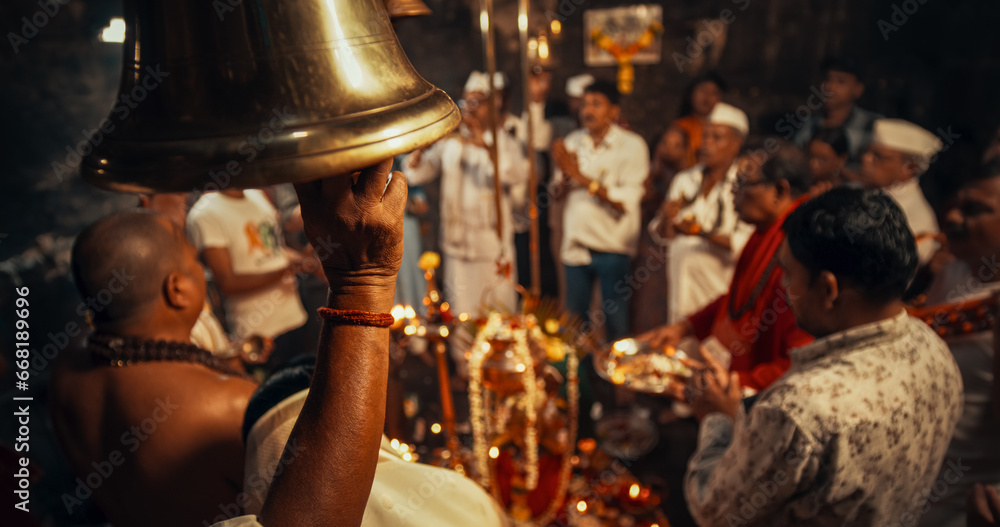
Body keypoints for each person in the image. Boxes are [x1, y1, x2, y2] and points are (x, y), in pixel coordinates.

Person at [682, 186, 963, 526]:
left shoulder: (797, 409)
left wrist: (718, 420)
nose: (784, 286)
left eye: (788, 274)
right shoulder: (935, 349)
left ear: (828, 290)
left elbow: (714, 512)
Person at [52, 209, 261, 527]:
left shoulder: (65, 369)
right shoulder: (230, 404)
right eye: (195, 261)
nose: (202, 271)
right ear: (177, 290)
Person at [639, 139, 813, 392]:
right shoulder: (764, 232)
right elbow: (739, 302)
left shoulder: (799, 249)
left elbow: (799, 360)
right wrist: (684, 327)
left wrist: (727, 386)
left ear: (779, 191)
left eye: (742, 183)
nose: (733, 191)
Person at [405, 71, 530, 318]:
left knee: (498, 310)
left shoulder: (503, 140)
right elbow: (416, 174)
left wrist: (481, 142)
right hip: (457, 244)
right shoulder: (450, 141)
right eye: (467, 101)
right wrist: (422, 148)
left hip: (491, 245)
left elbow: (515, 175)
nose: (471, 109)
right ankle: (463, 357)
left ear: (492, 106)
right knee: (463, 311)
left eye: (478, 102)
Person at [917, 160, 1000, 527]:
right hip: (913, 481)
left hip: (958, 504)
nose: (951, 217)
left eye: (974, 210)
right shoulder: (955, 271)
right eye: (954, 204)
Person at [551, 80, 649, 342]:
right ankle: (577, 379)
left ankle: (617, 379)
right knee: (574, 324)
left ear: (614, 111)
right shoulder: (573, 141)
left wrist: (581, 178)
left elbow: (626, 202)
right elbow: (556, 194)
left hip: (612, 247)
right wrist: (563, 177)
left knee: (616, 322)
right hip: (577, 246)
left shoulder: (632, 145)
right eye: (584, 104)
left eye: (596, 104)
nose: (587, 110)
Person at [652, 102, 754, 324]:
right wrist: (665, 217)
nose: (706, 144)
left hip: (718, 294)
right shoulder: (685, 179)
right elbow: (663, 235)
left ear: (736, 143)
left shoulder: (746, 186)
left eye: (716, 138)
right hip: (681, 293)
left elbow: (745, 243)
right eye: (705, 136)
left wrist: (699, 232)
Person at [186, 188, 309, 365]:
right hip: (258, 334)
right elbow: (228, 283)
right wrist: (286, 270)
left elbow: (273, 252)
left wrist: (304, 261)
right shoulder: (205, 213)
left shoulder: (256, 195)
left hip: (295, 317)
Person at [860, 118, 943, 264]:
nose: (866, 159)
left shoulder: (917, 221)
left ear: (911, 168)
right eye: (867, 152)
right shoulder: (858, 188)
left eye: (878, 157)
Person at [791, 56, 881, 171]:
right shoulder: (808, 124)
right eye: (827, 79)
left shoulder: (874, 126)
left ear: (858, 89)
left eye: (841, 81)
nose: (830, 86)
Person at [673, 72, 727, 168]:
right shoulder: (679, 127)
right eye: (703, 90)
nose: (707, 97)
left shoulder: (726, 130)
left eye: (714, 93)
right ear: (691, 93)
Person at [807, 127, 851, 191]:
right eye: (810, 156)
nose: (813, 164)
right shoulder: (798, 185)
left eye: (822, 160)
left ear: (841, 159)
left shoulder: (846, 193)